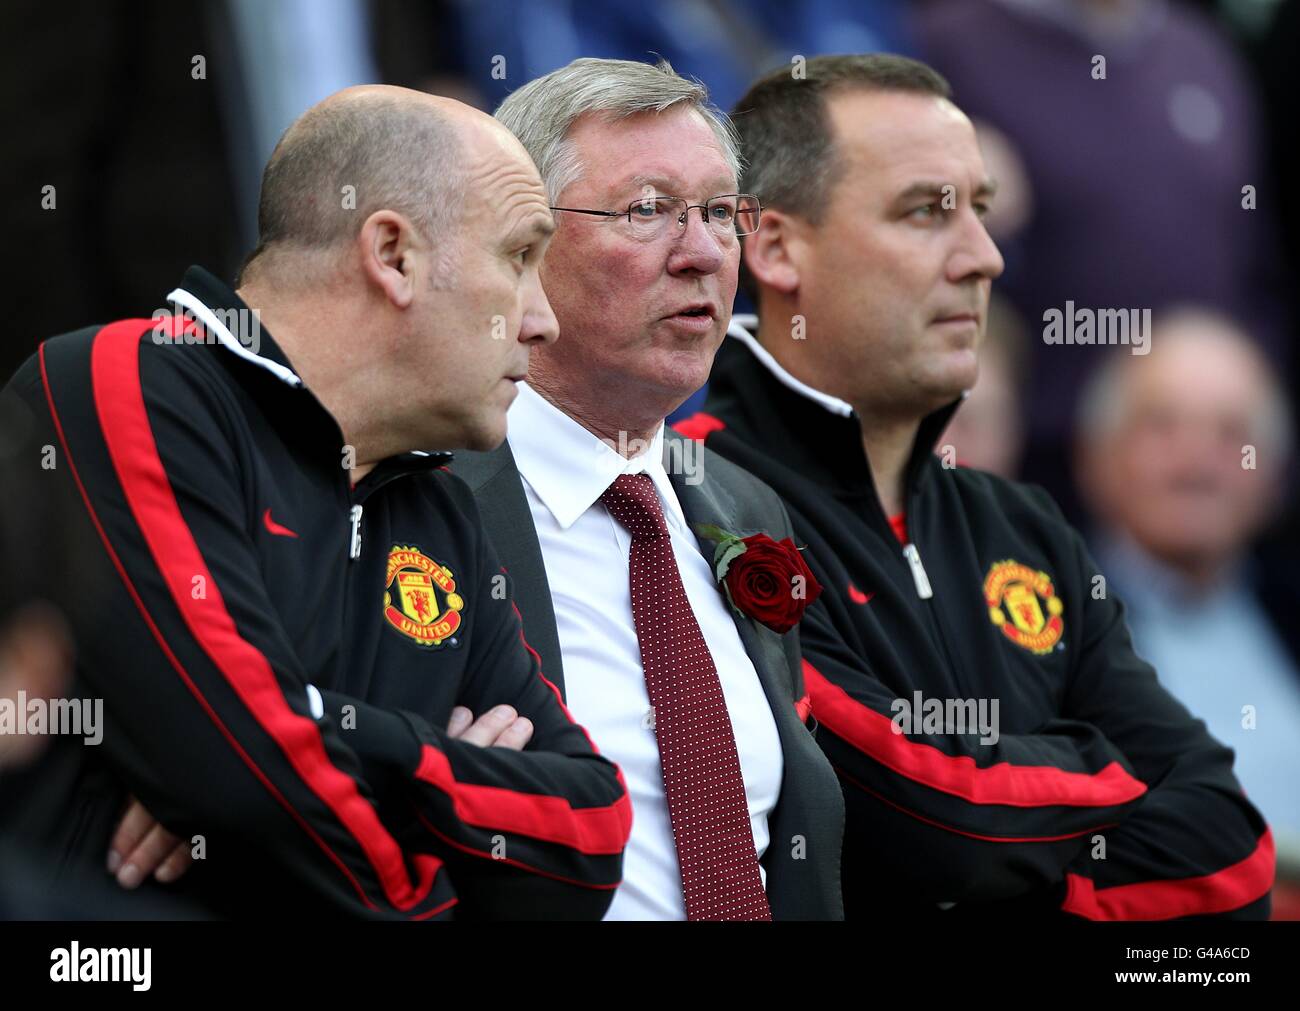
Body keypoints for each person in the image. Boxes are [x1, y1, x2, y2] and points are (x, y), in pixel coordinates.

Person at [0, 85, 631, 920]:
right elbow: (240, 780)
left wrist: (338, 737)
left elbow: (588, 839)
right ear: (393, 254)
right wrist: (441, 780)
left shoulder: (440, 509)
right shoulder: (129, 385)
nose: (543, 320)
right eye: (520, 257)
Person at [677, 54, 1273, 918]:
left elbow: (1234, 855)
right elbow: (947, 826)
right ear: (772, 246)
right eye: (927, 212)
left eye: (982, 210)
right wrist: (1116, 779)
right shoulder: (692, 496)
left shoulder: (1024, 523)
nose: (985, 258)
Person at [453, 57, 844, 920]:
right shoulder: (424, 500)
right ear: (526, 243)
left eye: (717, 213)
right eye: (648, 210)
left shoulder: (745, 510)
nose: (702, 252)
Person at [1076, 308, 1300, 846]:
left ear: (1273, 474)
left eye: (1231, 434)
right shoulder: (1047, 622)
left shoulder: (1289, 609)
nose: (1197, 460)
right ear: (1097, 459)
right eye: (1162, 426)